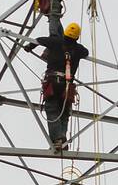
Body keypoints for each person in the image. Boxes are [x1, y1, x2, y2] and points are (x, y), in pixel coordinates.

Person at [27, 19, 89, 152]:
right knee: (64, 113)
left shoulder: (55, 42)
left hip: (53, 82)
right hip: (67, 86)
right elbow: (86, 52)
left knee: (52, 110)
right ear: (77, 37)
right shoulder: (78, 49)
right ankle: (62, 138)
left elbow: (39, 40)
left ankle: (57, 140)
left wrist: (29, 47)